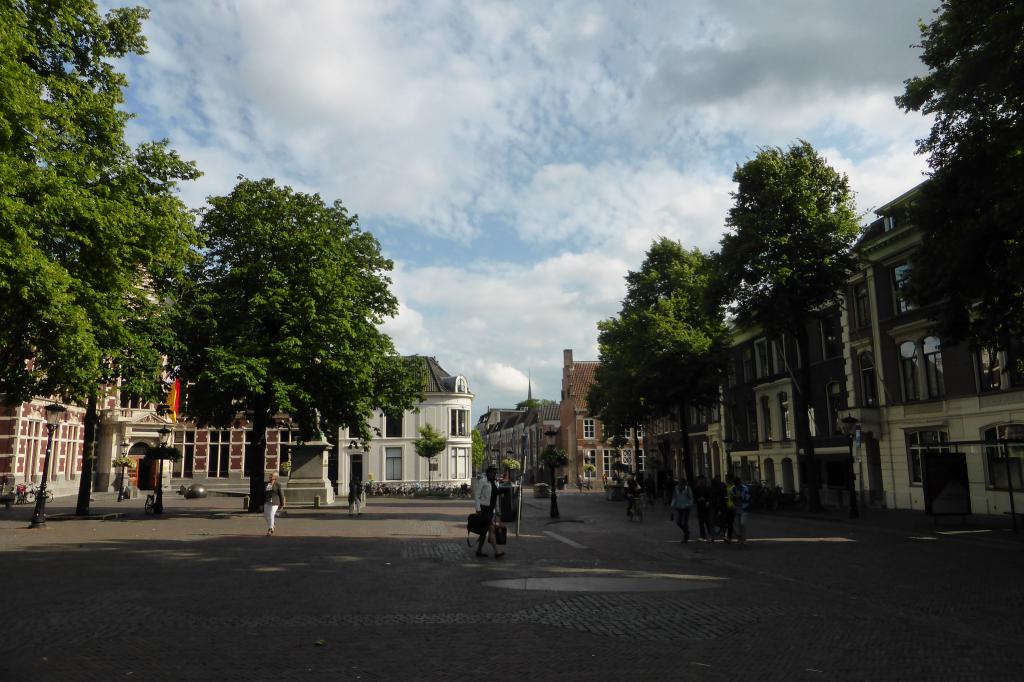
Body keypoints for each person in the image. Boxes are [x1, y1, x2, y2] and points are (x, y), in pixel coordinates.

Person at [473, 466, 504, 559]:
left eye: (495, 473)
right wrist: (478, 509)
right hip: (483, 510)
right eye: (493, 473)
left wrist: (498, 511)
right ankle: (497, 552)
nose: (495, 474)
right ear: (488, 473)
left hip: (491, 510)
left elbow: (496, 498)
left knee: (484, 531)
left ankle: (479, 551)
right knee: (491, 528)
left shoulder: (495, 483)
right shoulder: (483, 481)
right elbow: (477, 495)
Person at [727, 475, 751, 543]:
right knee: (739, 524)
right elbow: (731, 498)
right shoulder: (732, 489)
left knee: (743, 523)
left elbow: (747, 497)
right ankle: (741, 538)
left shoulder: (745, 488)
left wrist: (741, 498)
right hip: (737, 507)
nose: (737, 485)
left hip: (744, 507)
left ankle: (743, 538)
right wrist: (734, 500)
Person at [670, 478, 694, 542]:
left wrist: (689, 504)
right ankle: (686, 532)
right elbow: (674, 497)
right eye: (679, 482)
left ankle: (685, 537)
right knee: (679, 522)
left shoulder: (687, 488)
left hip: (686, 507)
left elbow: (691, 498)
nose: (680, 483)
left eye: (681, 482)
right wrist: (672, 506)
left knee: (685, 522)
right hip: (679, 507)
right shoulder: (676, 488)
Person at [694, 475, 713, 542]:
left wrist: (708, 501)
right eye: (700, 480)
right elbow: (695, 498)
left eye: (702, 480)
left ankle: (710, 535)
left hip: (706, 507)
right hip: (700, 507)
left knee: (708, 522)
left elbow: (710, 497)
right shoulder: (696, 489)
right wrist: (699, 499)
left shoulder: (707, 488)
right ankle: (702, 536)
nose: (701, 481)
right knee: (701, 522)